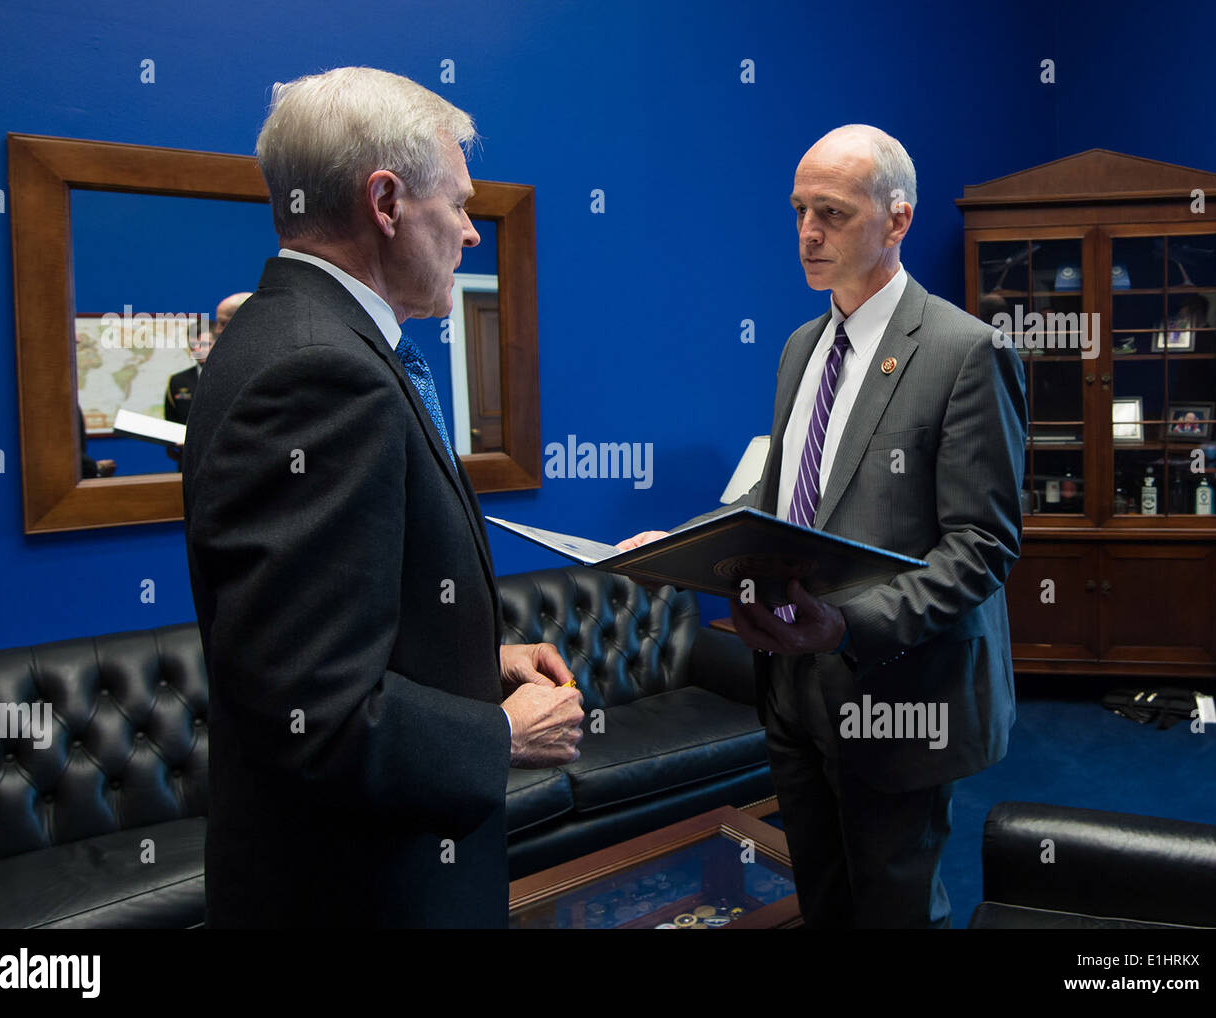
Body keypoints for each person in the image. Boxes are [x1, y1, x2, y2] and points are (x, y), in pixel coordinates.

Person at [182, 66, 584, 928]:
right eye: (461, 206)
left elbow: (339, 624)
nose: (473, 235)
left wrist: (479, 665)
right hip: (362, 891)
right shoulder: (321, 372)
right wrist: (504, 735)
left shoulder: (271, 328)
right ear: (387, 201)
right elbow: (318, 712)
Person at [619, 125, 1027, 928]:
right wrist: (670, 546)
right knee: (823, 901)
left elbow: (982, 547)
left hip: (900, 690)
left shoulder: (965, 351)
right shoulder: (801, 347)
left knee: (893, 909)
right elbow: (776, 502)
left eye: (833, 213)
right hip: (792, 693)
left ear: (897, 219)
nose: (808, 233)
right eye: (800, 209)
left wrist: (847, 625)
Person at [163, 293, 252, 468]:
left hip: (227, 459)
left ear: (217, 342)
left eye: (204, 345)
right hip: (188, 460)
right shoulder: (178, 381)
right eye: (193, 346)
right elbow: (171, 421)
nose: (198, 350)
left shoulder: (235, 372)